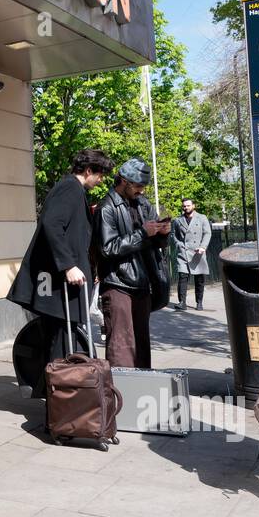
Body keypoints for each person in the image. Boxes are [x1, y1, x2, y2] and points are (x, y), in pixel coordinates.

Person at [8, 149, 112, 388]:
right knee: (60, 343)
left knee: (63, 340)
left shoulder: (75, 190)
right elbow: (51, 224)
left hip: (65, 284)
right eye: (100, 175)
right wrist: (68, 266)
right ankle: (58, 402)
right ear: (88, 171)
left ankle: (58, 399)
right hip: (59, 286)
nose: (101, 180)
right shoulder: (69, 188)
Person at [96, 158, 171, 368]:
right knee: (121, 345)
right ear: (124, 181)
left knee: (141, 342)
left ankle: (142, 387)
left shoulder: (143, 204)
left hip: (142, 282)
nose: (142, 191)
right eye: (138, 186)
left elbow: (153, 241)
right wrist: (142, 233)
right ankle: (122, 394)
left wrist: (162, 233)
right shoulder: (106, 208)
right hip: (118, 283)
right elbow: (107, 248)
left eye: (144, 187)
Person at [171, 199, 212, 310]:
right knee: (182, 277)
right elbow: (173, 235)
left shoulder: (202, 218)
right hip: (183, 252)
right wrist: (179, 244)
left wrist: (203, 247)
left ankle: (199, 302)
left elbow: (207, 233)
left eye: (188, 205)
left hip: (197, 252)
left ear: (193, 206)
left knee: (199, 278)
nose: (186, 208)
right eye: (184, 206)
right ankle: (182, 302)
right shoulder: (178, 220)